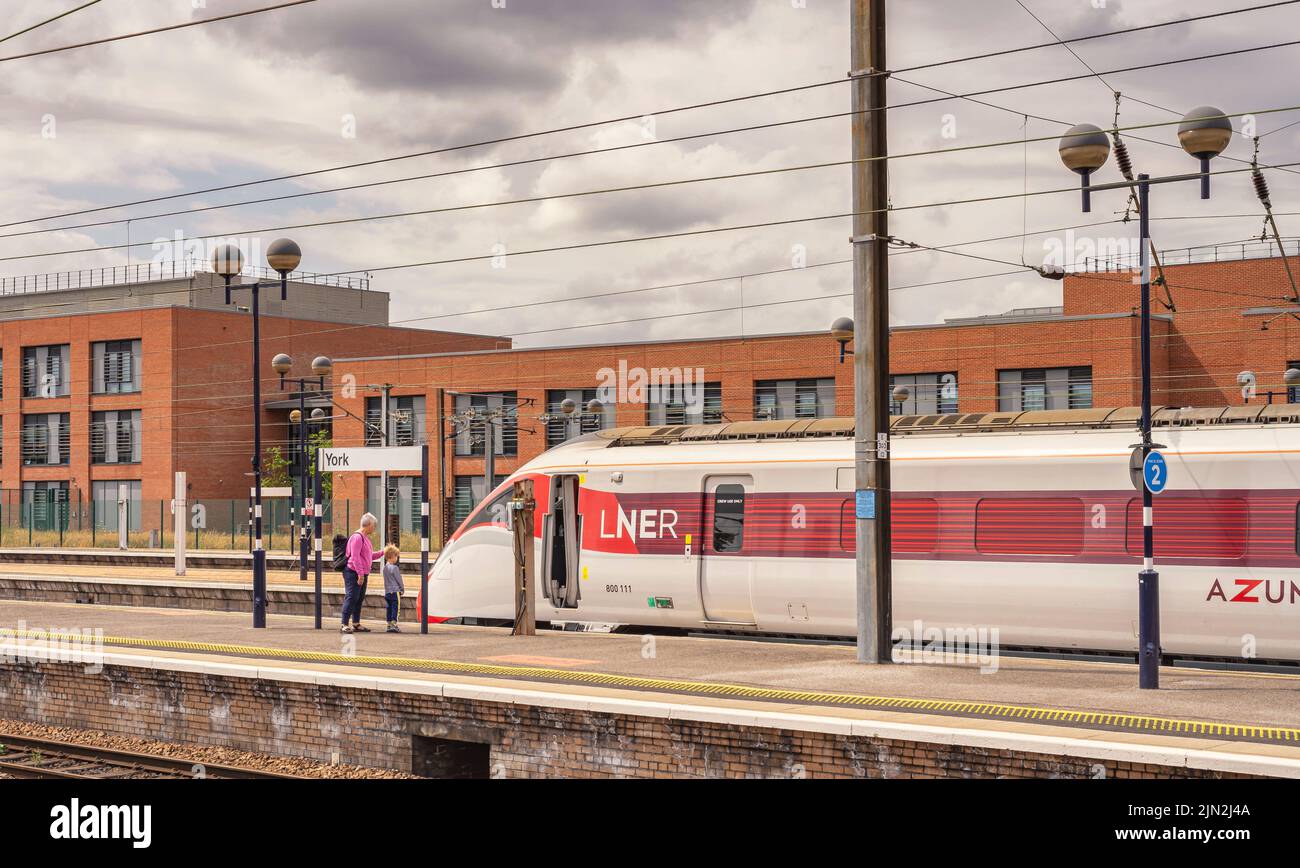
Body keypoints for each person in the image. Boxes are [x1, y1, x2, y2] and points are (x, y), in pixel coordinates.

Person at [341, 513, 383, 634]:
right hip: (353, 572)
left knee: (359, 598)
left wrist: (383, 552)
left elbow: (369, 556)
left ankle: (356, 623)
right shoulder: (357, 537)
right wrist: (360, 574)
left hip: (363, 573)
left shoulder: (366, 539)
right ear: (368, 525)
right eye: (374, 526)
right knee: (351, 597)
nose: (374, 528)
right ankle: (344, 624)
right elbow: (355, 557)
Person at [381, 544, 405, 633]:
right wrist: (402, 589)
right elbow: (399, 580)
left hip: (387, 592)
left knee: (389, 607)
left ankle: (389, 624)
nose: (397, 558)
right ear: (391, 557)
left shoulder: (384, 568)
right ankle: (394, 624)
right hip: (395, 591)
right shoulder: (395, 568)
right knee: (396, 607)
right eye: (396, 556)